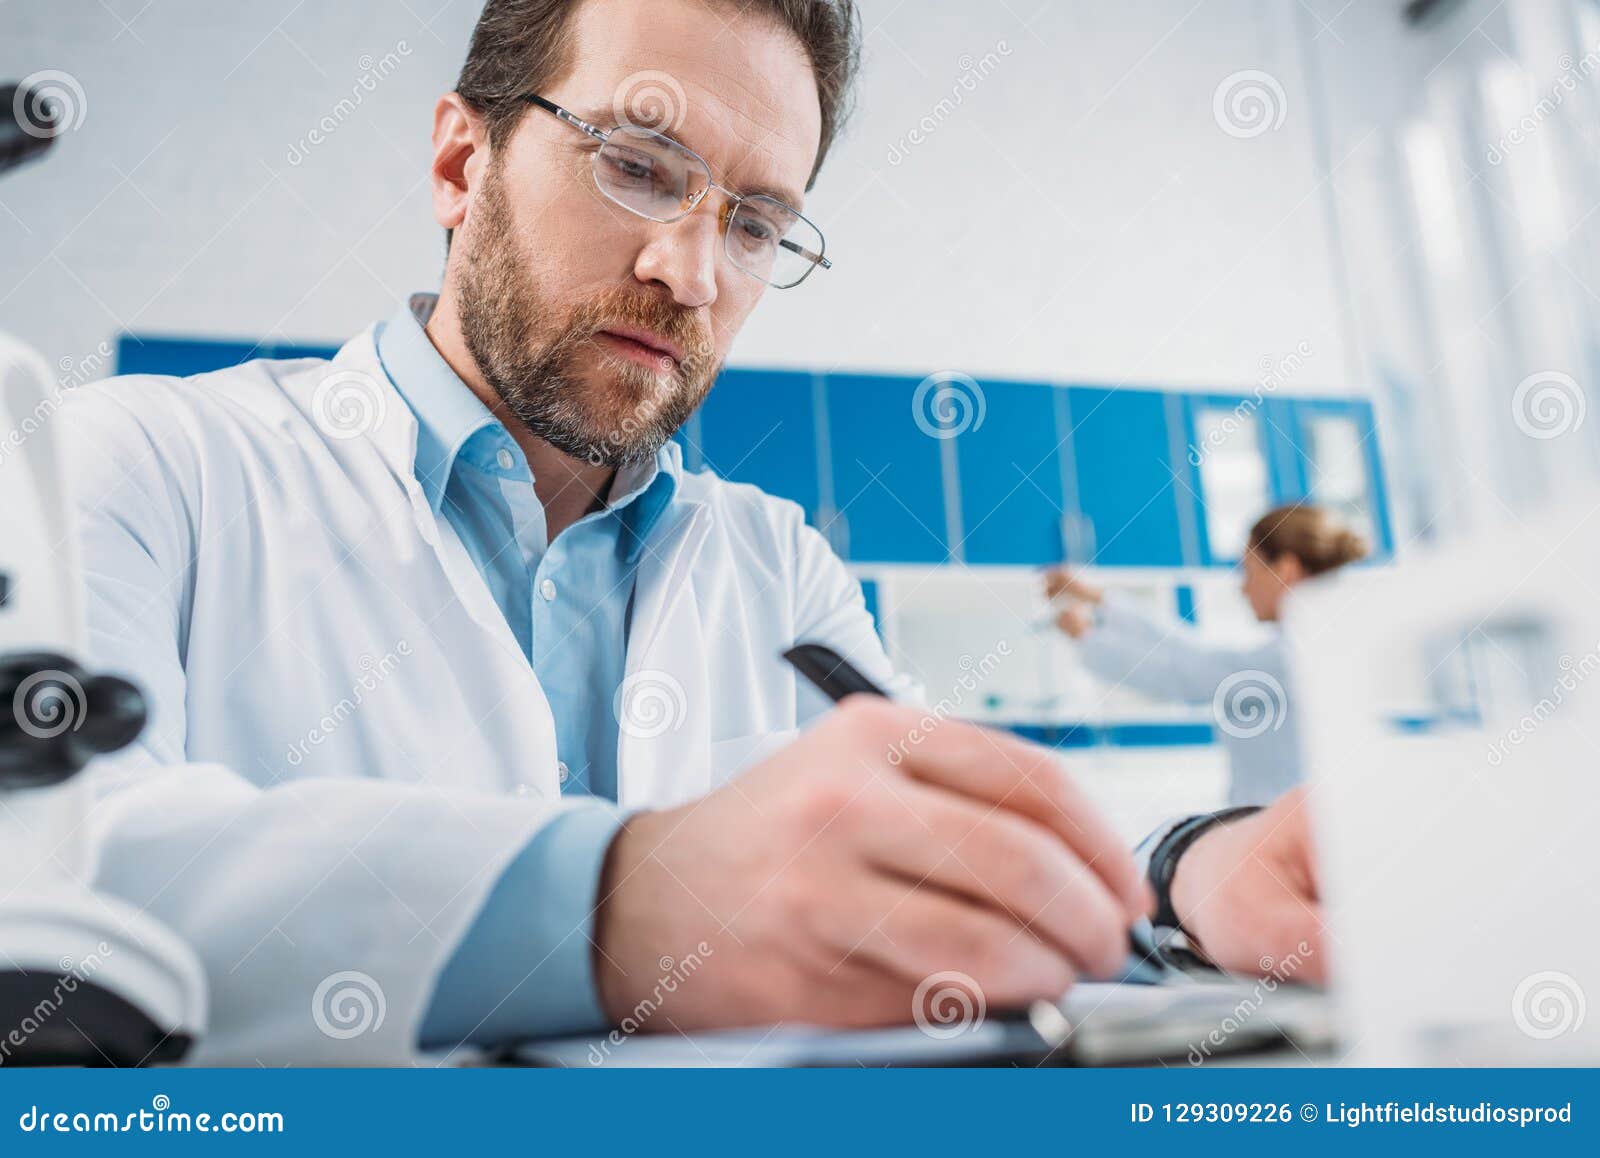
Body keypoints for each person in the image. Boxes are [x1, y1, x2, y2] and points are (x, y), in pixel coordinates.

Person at [55, 0, 1326, 1063]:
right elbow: (57, 883)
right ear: (460, 164)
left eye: (757, 221)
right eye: (638, 166)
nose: (693, 270)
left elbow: (946, 841)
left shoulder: (776, 563)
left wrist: (1183, 880)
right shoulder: (141, 461)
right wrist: (626, 903)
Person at [1045, 504, 1369, 805]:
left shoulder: (1288, 658)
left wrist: (1086, 637)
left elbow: (1181, 674)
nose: (1243, 588)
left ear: (1285, 569)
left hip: (1281, 835)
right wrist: (1099, 600)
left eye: (1249, 571)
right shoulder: (1310, 646)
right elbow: (1191, 653)